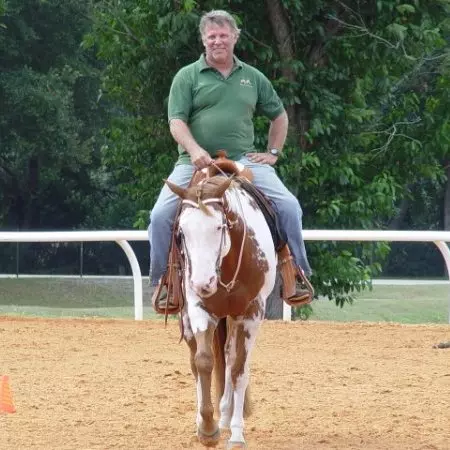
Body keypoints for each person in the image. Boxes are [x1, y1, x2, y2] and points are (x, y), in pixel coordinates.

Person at [148, 9, 313, 310]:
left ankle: (296, 274)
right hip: (192, 162)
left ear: (235, 37)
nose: (217, 41)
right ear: (203, 40)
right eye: (211, 36)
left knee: (288, 206)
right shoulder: (187, 77)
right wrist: (196, 151)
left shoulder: (253, 77)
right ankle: (165, 281)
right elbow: (176, 122)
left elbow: (279, 116)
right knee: (160, 217)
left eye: (224, 35)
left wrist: (273, 153)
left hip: (242, 162)